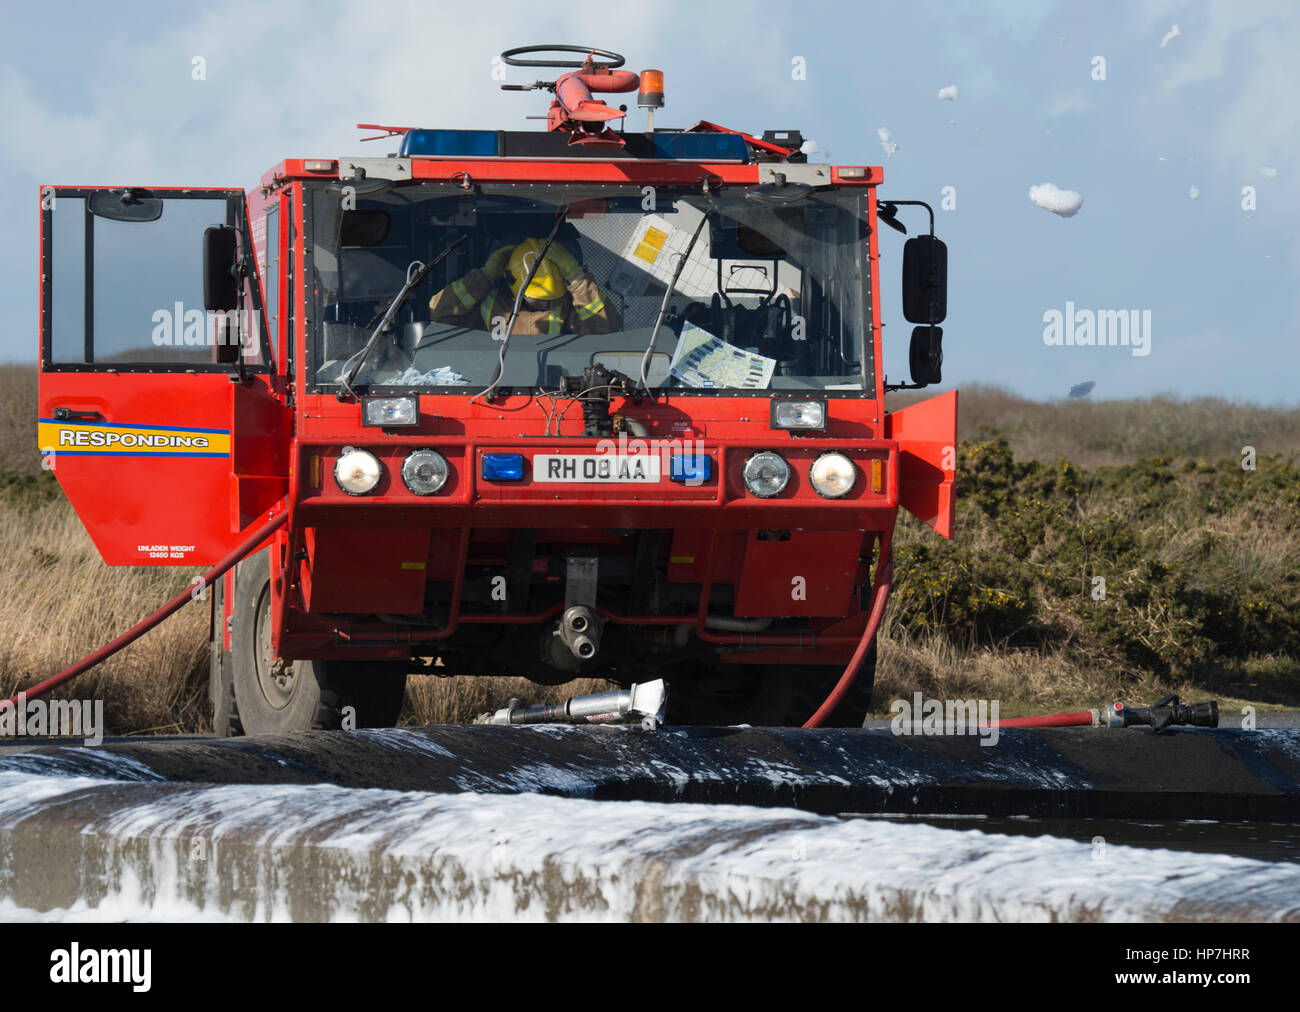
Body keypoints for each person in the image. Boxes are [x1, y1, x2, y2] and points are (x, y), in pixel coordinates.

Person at [428, 238, 621, 336]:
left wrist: (577, 277)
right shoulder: (488, 302)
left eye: (551, 300)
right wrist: (484, 277)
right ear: (513, 285)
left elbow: (606, 332)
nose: (544, 306)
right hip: (491, 387)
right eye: (536, 300)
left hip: (553, 391)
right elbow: (439, 314)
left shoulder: (570, 307)